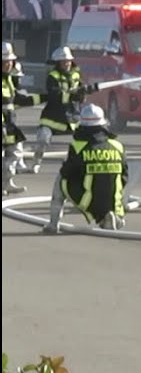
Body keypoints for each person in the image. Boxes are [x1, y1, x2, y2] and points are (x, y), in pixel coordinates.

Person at [42, 103, 128, 234]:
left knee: (60, 180)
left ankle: (53, 224)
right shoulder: (118, 145)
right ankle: (113, 215)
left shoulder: (77, 147)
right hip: (113, 200)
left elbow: (66, 173)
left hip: (87, 199)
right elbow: (125, 176)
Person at [31, 46, 95, 173]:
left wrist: (84, 93)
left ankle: (83, 165)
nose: (67, 63)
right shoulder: (52, 76)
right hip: (53, 116)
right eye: (63, 61)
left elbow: (81, 93)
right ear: (58, 63)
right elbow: (54, 95)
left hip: (73, 116)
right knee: (43, 137)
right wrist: (72, 95)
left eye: (68, 61)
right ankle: (36, 162)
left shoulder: (77, 74)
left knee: (87, 140)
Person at [3, 42, 43, 194]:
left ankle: (7, 183)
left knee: (14, 154)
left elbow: (20, 100)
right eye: (5, 61)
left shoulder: (7, 80)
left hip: (9, 125)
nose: (9, 64)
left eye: (10, 61)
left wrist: (47, 97)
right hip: (3, 125)